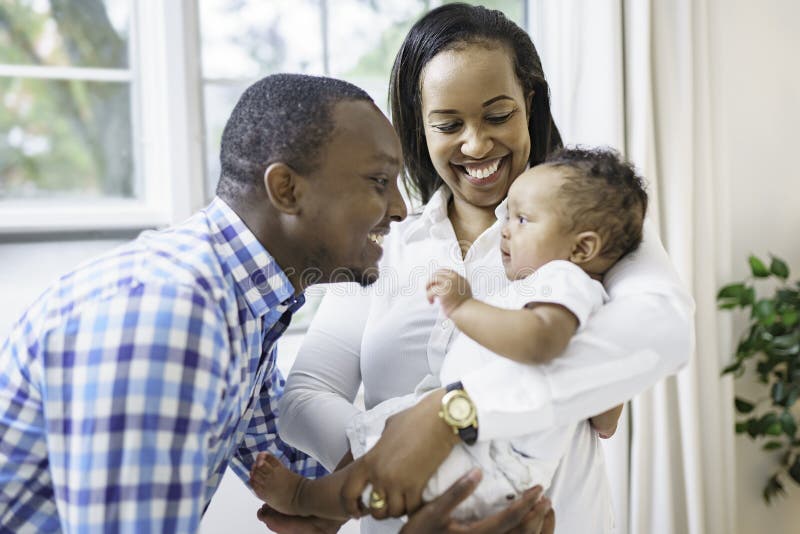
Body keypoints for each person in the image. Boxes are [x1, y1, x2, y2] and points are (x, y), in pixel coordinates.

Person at [0, 73, 552, 533]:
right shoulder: (168, 317)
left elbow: (311, 482)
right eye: (378, 181)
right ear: (286, 189)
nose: (401, 209)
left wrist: (460, 487)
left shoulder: (243, 309)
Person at [279, 4, 694, 533]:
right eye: (448, 124)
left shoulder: (594, 232)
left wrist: (450, 418)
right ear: (420, 125)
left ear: (530, 103)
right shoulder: (381, 245)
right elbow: (305, 397)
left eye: (498, 116)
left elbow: (640, 364)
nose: (476, 145)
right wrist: (399, 471)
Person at [249, 146, 646, 521]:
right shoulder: (394, 245)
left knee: (392, 443)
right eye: (449, 122)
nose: (506, 228)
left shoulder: (566, 280)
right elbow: (303, 397)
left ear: (582, 248)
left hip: (492, 457)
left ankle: (312, 501)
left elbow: (545, 345)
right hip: (471, 440)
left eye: (521, 220)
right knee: (386, 431)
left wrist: (465, 308)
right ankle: (323, 505)